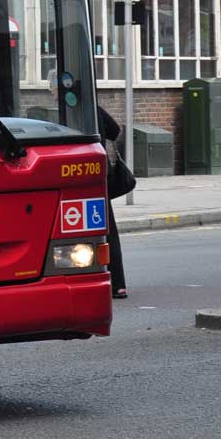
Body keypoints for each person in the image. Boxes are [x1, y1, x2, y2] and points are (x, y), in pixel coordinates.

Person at [98, 106, 129, 299]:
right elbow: (115, 130)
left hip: (75, 173)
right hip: (100, 171)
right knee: (109, 230)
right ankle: (118, 284)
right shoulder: (94, 108)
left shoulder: (63, 112)